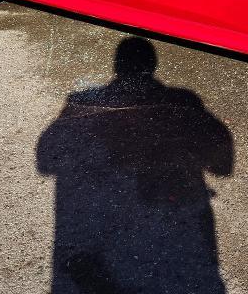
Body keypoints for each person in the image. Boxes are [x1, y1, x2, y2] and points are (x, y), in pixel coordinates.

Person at [36, 37, 233, 294]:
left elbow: (45, 160)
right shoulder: (183, 101)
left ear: (118, 66)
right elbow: (222, 164)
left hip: (111, 227)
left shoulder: (87, 102)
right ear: (151, 65)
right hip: (172, 231)